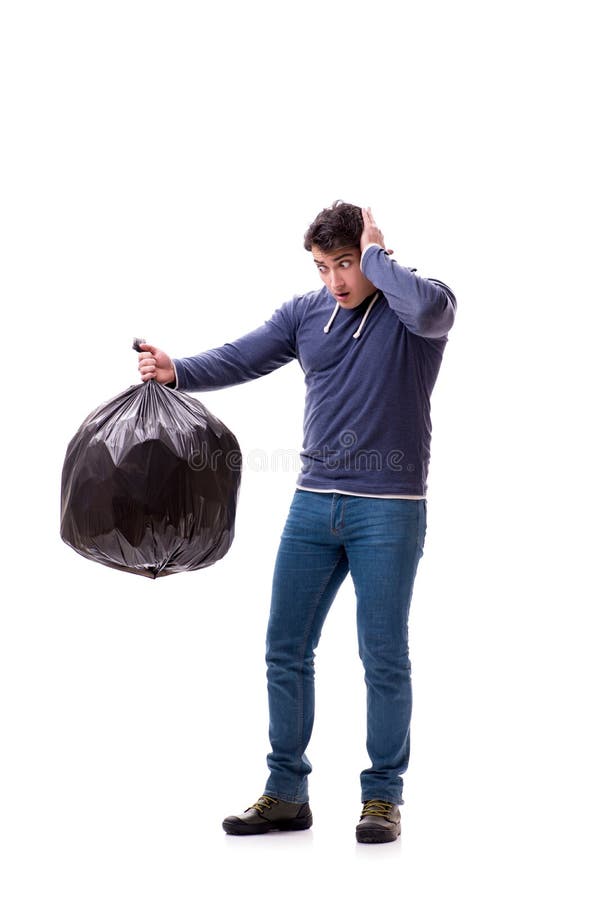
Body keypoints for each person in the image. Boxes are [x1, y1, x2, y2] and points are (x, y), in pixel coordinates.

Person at [138, 201, 456, 843]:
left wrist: (378, 258)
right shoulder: (306, 313)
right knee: (285, 649)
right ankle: (286, 792)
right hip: (313, 502)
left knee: (382, 655)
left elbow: (429, 310)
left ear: (370, 256)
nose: (335, 281)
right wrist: (179, 372)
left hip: (389, 509)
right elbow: (244, 355)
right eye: (323, 266)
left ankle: (382, 799)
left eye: (346, 264)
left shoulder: (415, 307)